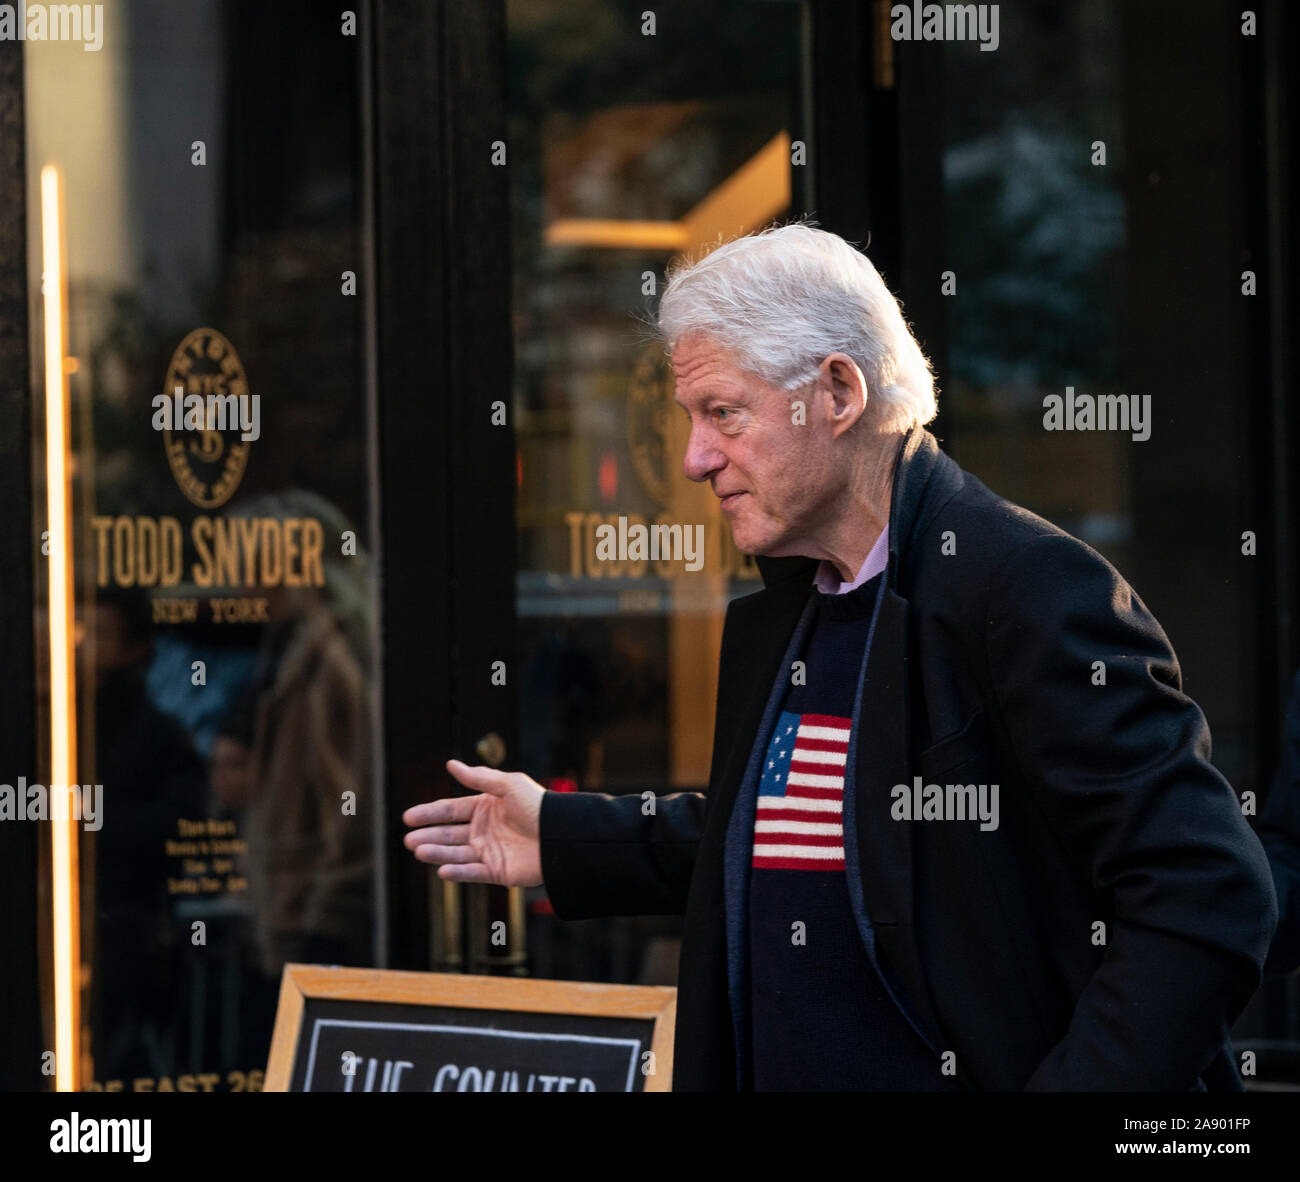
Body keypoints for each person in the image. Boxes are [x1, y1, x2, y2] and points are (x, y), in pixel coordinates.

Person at [403, 222, 1277, 1091]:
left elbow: (1207, 893)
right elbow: (807, 830)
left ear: (838, 391)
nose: (697, 458)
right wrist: (565, 834)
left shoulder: (1028, 586)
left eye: (723, 414)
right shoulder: (791, 605)